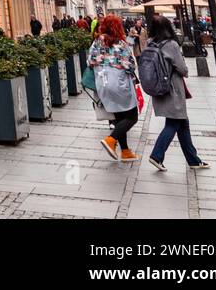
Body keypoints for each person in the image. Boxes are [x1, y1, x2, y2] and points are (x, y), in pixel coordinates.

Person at [143, 15, 208, 172]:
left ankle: (193, 160)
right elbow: (182, 68)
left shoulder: (149, 43)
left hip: (159, 87)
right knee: (173, 123)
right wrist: (185, 69)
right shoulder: (170, 44)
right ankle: (156, 155)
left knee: (182, 122)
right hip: (172, 88)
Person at [88, 14, 140, 162]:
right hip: (119, 83)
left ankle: (125, 151)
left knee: (119, 117)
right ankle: (111, 140)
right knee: (132, 116)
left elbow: (90, 60)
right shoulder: (121, 43)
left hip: (102, 83)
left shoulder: (97, 41)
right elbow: (130, 64)